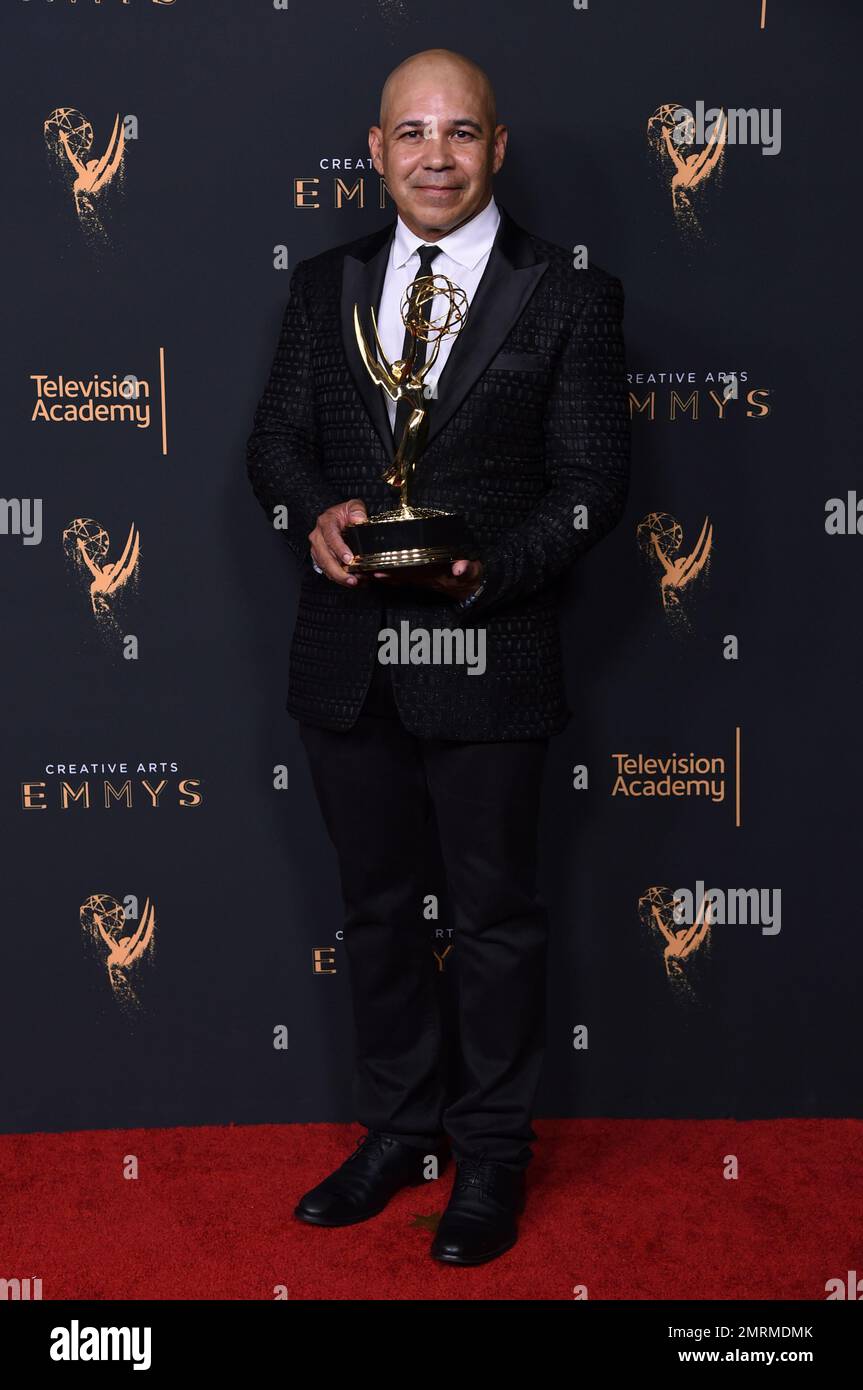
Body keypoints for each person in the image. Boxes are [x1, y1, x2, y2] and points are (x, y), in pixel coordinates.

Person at [246, 47, 630, 1266]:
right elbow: (275, 444)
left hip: (488, 655)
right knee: (374, 916)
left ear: (496, 148)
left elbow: (590, 487)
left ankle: (493, 1156)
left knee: (495, 918)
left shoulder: (568, 293)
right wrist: (312, 512)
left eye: (459, 132)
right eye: (409, 133)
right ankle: (402, 1135)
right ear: (374, 151)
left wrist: (486, 574)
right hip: (346, 661)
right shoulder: (325, 286)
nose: (433, 155)